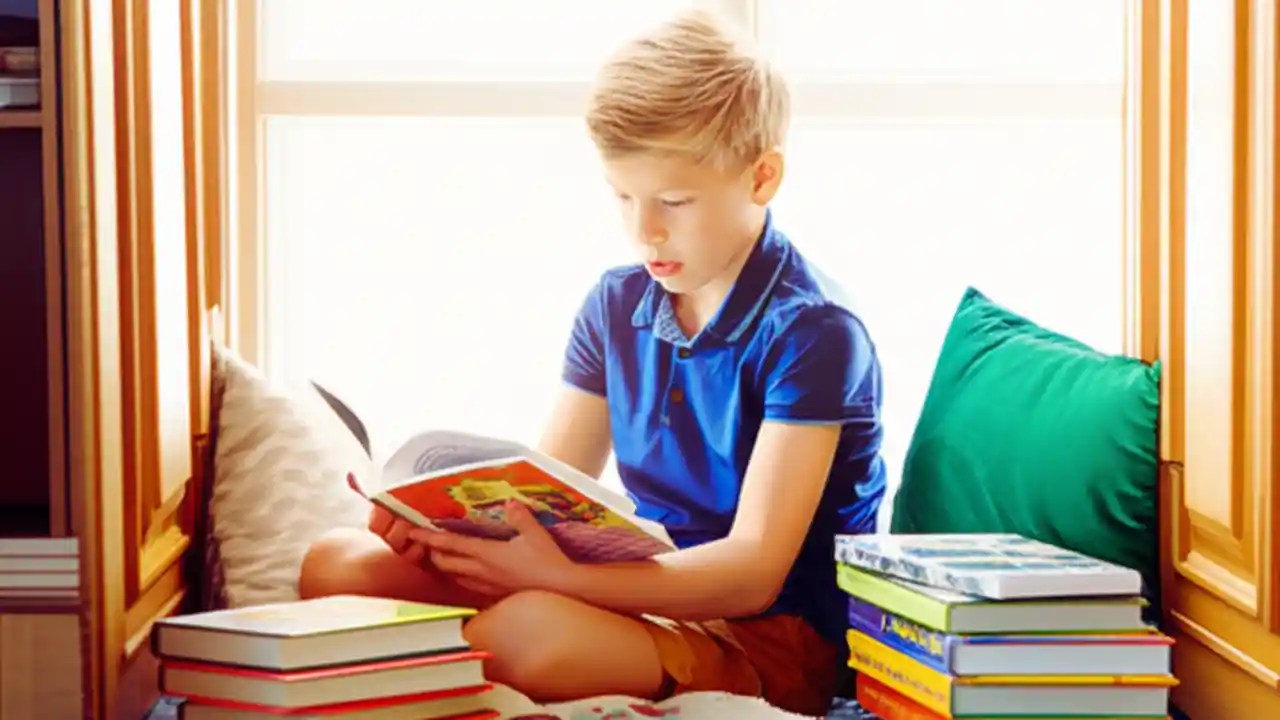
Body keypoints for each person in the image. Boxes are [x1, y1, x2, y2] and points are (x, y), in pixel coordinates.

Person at [299, 8, 885, 716]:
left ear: (762, 177)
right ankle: (463, 646)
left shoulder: (816, 331)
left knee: (526, 634)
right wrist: (448, 535)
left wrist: (558, 583)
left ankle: (450, 659)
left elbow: (752, 575)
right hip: (629, 588)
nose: (644, 230)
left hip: (767, 634)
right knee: (334, 563)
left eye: (673, 200)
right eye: (623, 196)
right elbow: (550, 489)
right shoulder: (615, 304)